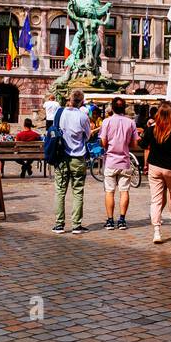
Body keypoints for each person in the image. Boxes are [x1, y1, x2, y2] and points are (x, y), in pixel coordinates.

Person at [143, 101, 171, 244]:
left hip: (154, 166)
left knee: (156, 199)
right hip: (170, 168)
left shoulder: (151, 130)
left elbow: (142, 144)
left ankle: (157, 232)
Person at [53, 89, 94, 234]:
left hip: (61, 156)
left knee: (60, 191)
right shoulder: (83, 117)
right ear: (82, 102)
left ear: (69, 99)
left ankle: (59, 224)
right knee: (77, 191)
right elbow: (88, 136)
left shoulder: (59, 112)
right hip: (78, 157)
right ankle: (76, 225)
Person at [98, 97, 138, 230]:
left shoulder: (107, 121)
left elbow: (103, 142)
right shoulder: (131, 122)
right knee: (124, 191)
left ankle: (110, 221)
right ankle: (122, 220)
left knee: (109, 191)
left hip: (110, 161)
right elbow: (134, 143)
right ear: (124, 108)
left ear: (112, 108)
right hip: (125, 161)